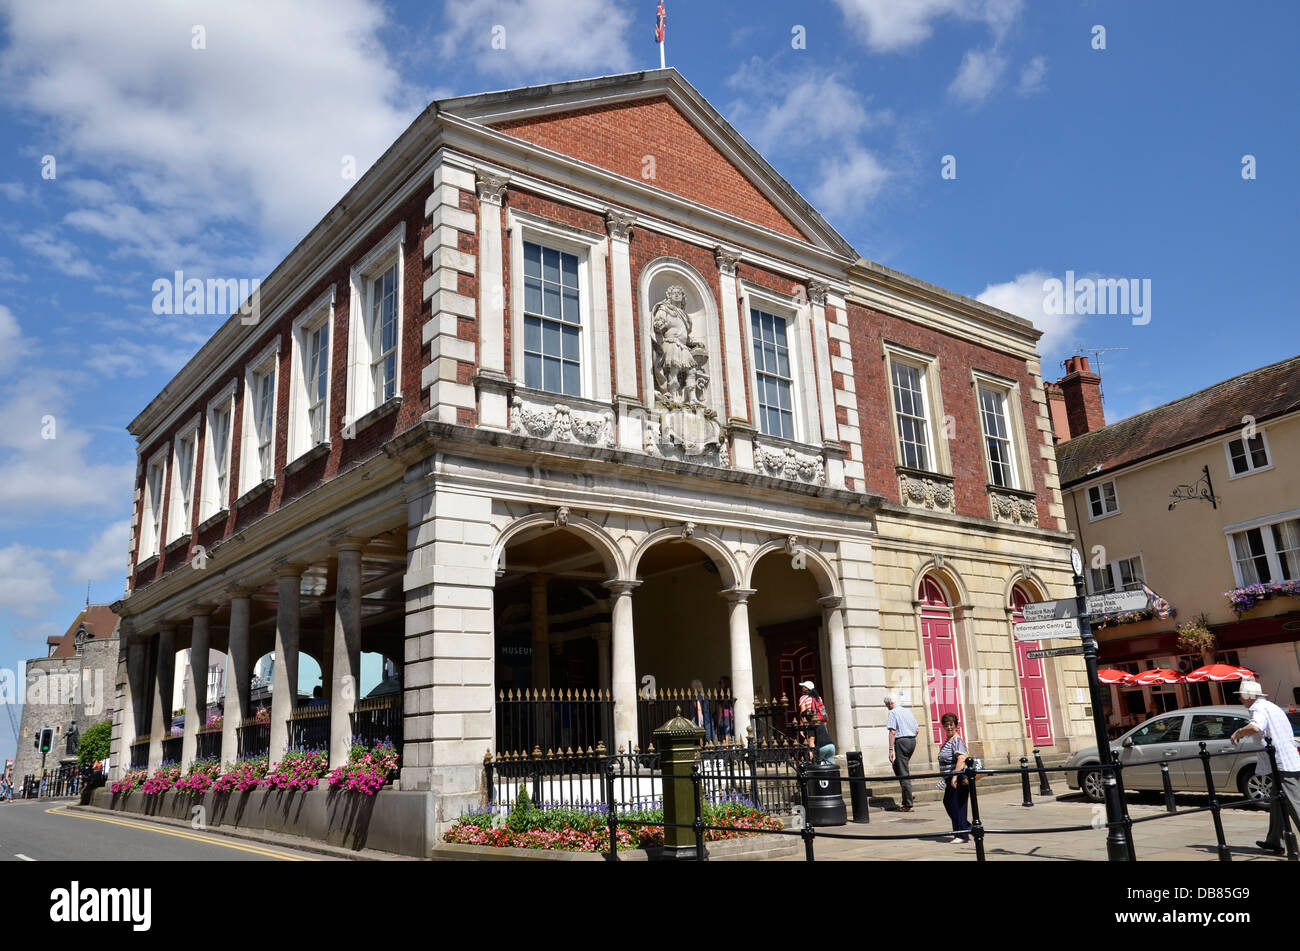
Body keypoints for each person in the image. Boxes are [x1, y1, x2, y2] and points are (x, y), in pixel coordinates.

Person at [1230, 680, 1300, 855]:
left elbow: (1255, 727)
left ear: (1249, 696)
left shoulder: (1257, 708)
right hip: (1286, 759)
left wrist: (1238, 733)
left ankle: (1276, 841)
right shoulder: (1271, 706)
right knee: (1277, 801)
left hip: (1281, 763)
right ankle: (1275, 841)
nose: (1240, 698)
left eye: (1241, 695)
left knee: (1295, 804)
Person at [938, 712, 971, 844]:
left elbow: (961, 758)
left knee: (957, 805)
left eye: (951, 725)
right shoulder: (948, 740)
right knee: (949, 803)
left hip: (957, 778)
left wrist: (954, 776)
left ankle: (962, 834)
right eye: (946, 725)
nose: (949, 727)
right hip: (950, 778)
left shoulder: (957, 740)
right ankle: (965, 827)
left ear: (956, 726)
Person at [885, 694, 919, 811]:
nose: (887, 708)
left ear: (889, 703)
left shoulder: (893, 712)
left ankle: (907, 804)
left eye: (886, 705)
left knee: (903, 771)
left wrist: (890, 750)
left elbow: (892, 732)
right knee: (898, 766)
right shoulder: (908, 711)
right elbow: (917, 729)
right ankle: (908, 791)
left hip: (902, 741)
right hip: (912, 741)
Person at [798, 681, 835, 765]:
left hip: (810, 722)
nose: (802, 687)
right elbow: (822, 711)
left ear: (806, 689)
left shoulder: (803, 698)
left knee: (811, 740)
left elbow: (803, 712)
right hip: (820, 722)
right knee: (829, 767)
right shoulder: (819, 698)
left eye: (803, 686)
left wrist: (801, 726)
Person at [714, 676, 734, 741]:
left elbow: (720, 710)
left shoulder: (721, 695)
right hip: (729, 717)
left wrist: (718, 723)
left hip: (724, 718)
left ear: (725, 683)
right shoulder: (731, 693)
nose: (719, 684)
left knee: (724, 736)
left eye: (720, 683)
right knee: (728, 735)